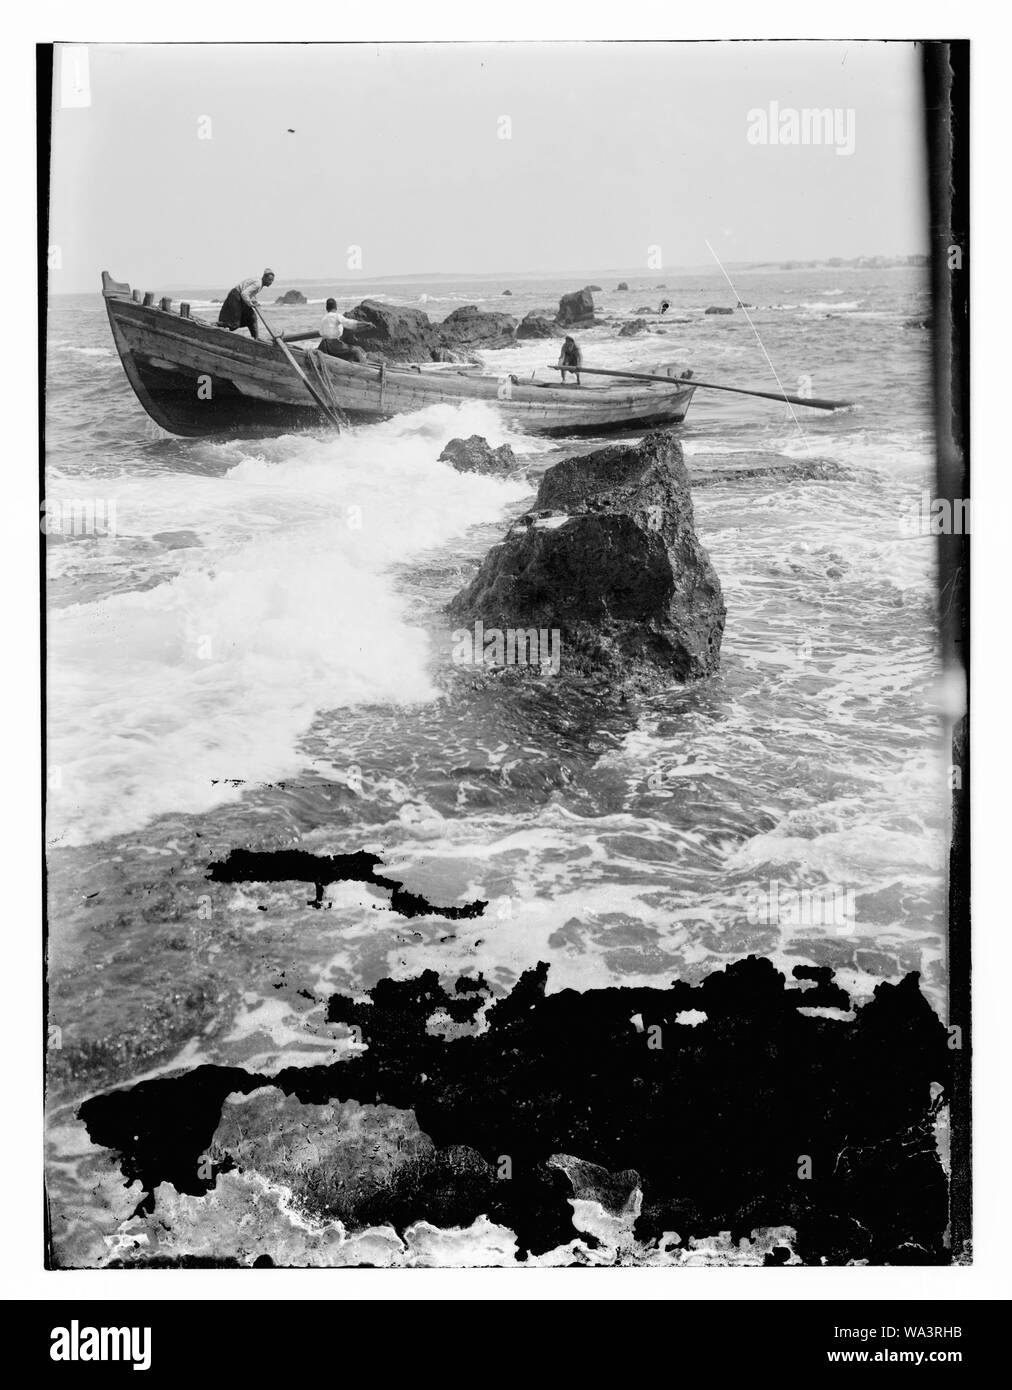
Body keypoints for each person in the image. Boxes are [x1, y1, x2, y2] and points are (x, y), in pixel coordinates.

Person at [217, 269, 275, 338]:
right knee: (235, 324)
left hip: (239, 296)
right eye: (269, 280)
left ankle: (256, 338)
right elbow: (244, 293)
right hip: (236, 295)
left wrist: (254, 301)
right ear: (264, 278)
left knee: (252, 318)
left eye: (272, 280)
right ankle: (217, 325)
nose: (271, 282)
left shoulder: (260, 284)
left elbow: (250, 293)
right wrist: (250, 304)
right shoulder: (258, 284)